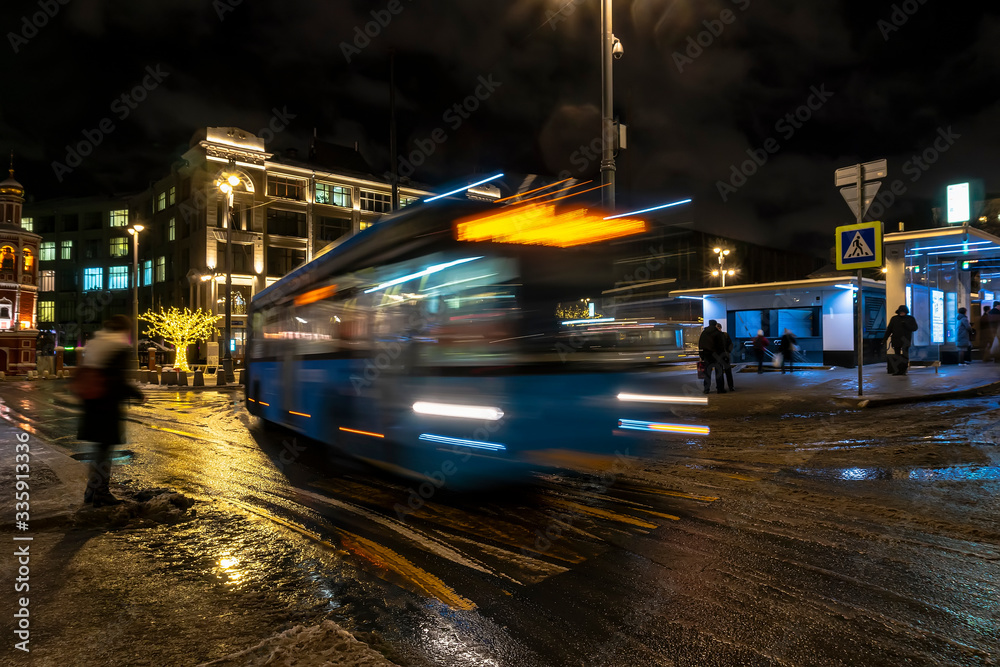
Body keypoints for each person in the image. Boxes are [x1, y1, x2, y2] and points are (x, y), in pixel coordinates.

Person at [77, 315, 145, 507]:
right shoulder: (118, 347)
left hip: (91, 404)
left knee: (100, 447)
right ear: (124, 330)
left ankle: (92, 490)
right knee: (104, 449)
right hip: (107, 406)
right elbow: (117, 380)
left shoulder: (95, 345)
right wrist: (136, 394)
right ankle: (100, 492)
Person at [883, 305, 919, 376]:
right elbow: (889, 329)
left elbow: (914, 328)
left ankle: (903, 370)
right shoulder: (895, 319)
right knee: (898, 355)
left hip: (905, 340)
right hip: (897, 340)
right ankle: (898, 370)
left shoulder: (909, 319)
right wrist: (885, 339)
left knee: (904, 355)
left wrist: (906, 325)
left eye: (903, 312)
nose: (902, 313)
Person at [698, 319, 726, 394]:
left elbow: (700, 345)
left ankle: (706, 389)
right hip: (717, 356)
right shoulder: (718, 333)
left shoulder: (704, 333)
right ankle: (720, 389)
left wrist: (702, 356)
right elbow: (721, 346)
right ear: (715, 324)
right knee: (719, 372)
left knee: (707, 373)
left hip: (707, 356)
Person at [716, 322, 735, 391]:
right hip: (725, 355)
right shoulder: (725, 335)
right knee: (728, 372)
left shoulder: (719, 335)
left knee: (721, 372)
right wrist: (728, 351)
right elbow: (731, 344)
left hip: (720, 356)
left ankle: (722, 387)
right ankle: (730, 386)